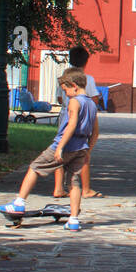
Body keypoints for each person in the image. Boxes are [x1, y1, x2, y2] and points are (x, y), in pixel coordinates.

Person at [0, 67, 97, 231]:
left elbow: (71, 126)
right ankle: (73, 220)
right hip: (81, 147)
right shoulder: (92, 104)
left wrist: (60, 147)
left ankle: (19, 203)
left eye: (65, 89)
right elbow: (96, 131)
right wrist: (88, 150)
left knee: (35, 167)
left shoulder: (75, 101)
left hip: (66, 144)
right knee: (73, 182)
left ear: (73, 85)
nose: (65, 93)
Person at [55, 46, 102, 198]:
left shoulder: (64, 77)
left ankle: (58, 188)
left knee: (60, 150)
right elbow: (94, 100)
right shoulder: (88, 79)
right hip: (83, 118)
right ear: (86, 61)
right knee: (83, 151)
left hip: (64, 115)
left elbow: (60, 98)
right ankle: (86, 189)